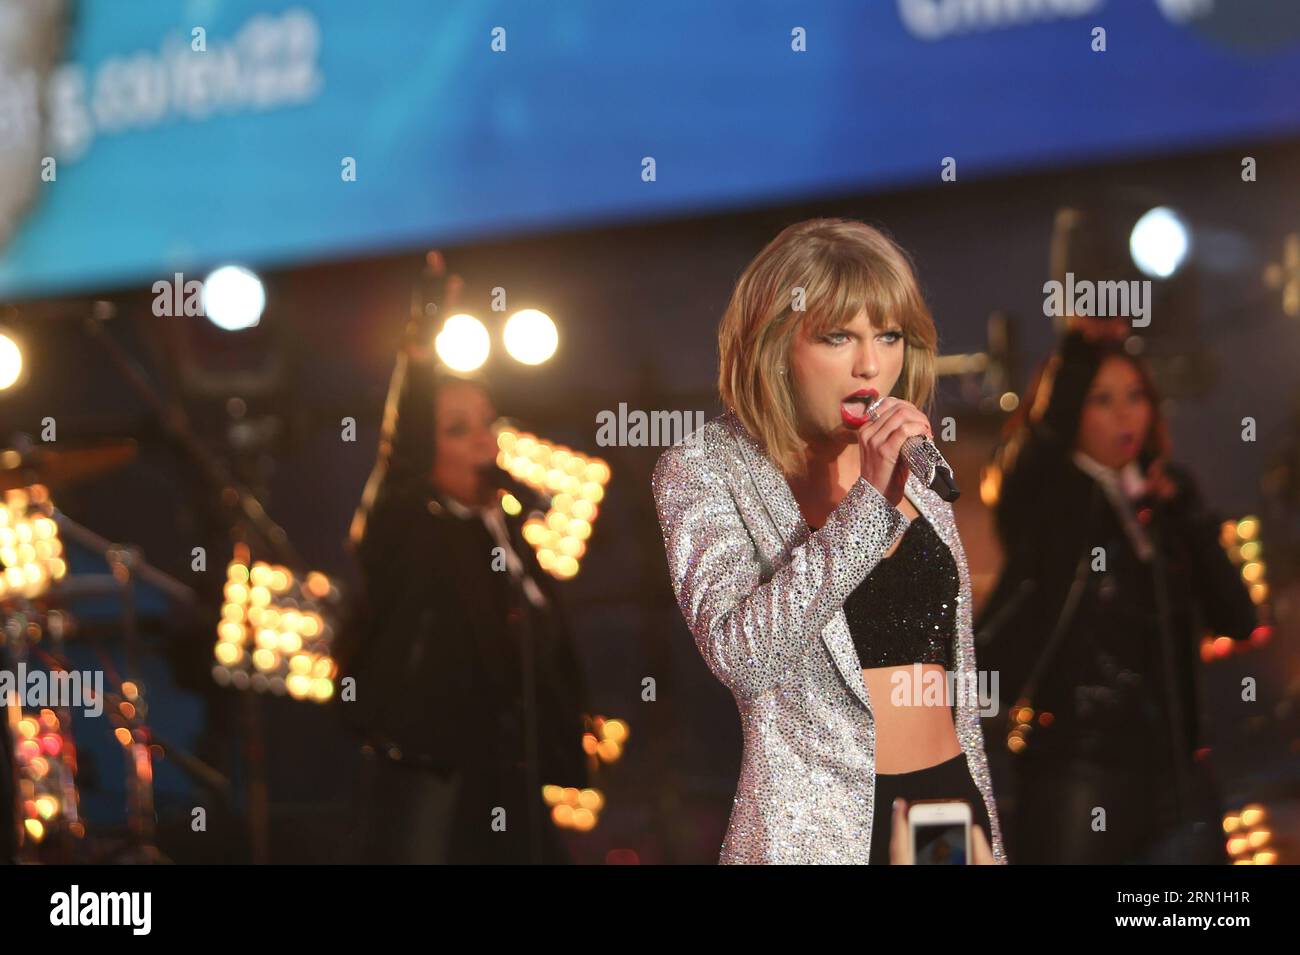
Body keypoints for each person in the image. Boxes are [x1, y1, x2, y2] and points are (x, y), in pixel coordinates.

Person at [651, 217, 1004, 864]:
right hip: (817, 833)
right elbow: (743, 655)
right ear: (775, 345)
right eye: (838, 336)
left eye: (889, 335)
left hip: (945, 813)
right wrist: (869, 505)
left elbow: (956, 687)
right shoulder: (707, 468)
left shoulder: (916, 467)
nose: (870, 364)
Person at [975, 314, 1259, 864]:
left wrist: (1187, 516)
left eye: (1135, 395)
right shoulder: (1051, 496)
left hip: (1178, 771)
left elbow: (1238, 618)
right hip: (1078, 767)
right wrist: (1080, 351)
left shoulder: (1167, 496)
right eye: (1101, 399)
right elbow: (1042, 443)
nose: (1125, 412)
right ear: (1072, 408)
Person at [336, 266, 589, 864]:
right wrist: (420, 349)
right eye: (458, 430)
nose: (482, 441)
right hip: (432, 760)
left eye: (486, 424)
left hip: (513, 764)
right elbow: (401, 455)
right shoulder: (411, 528)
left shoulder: (504, 527)